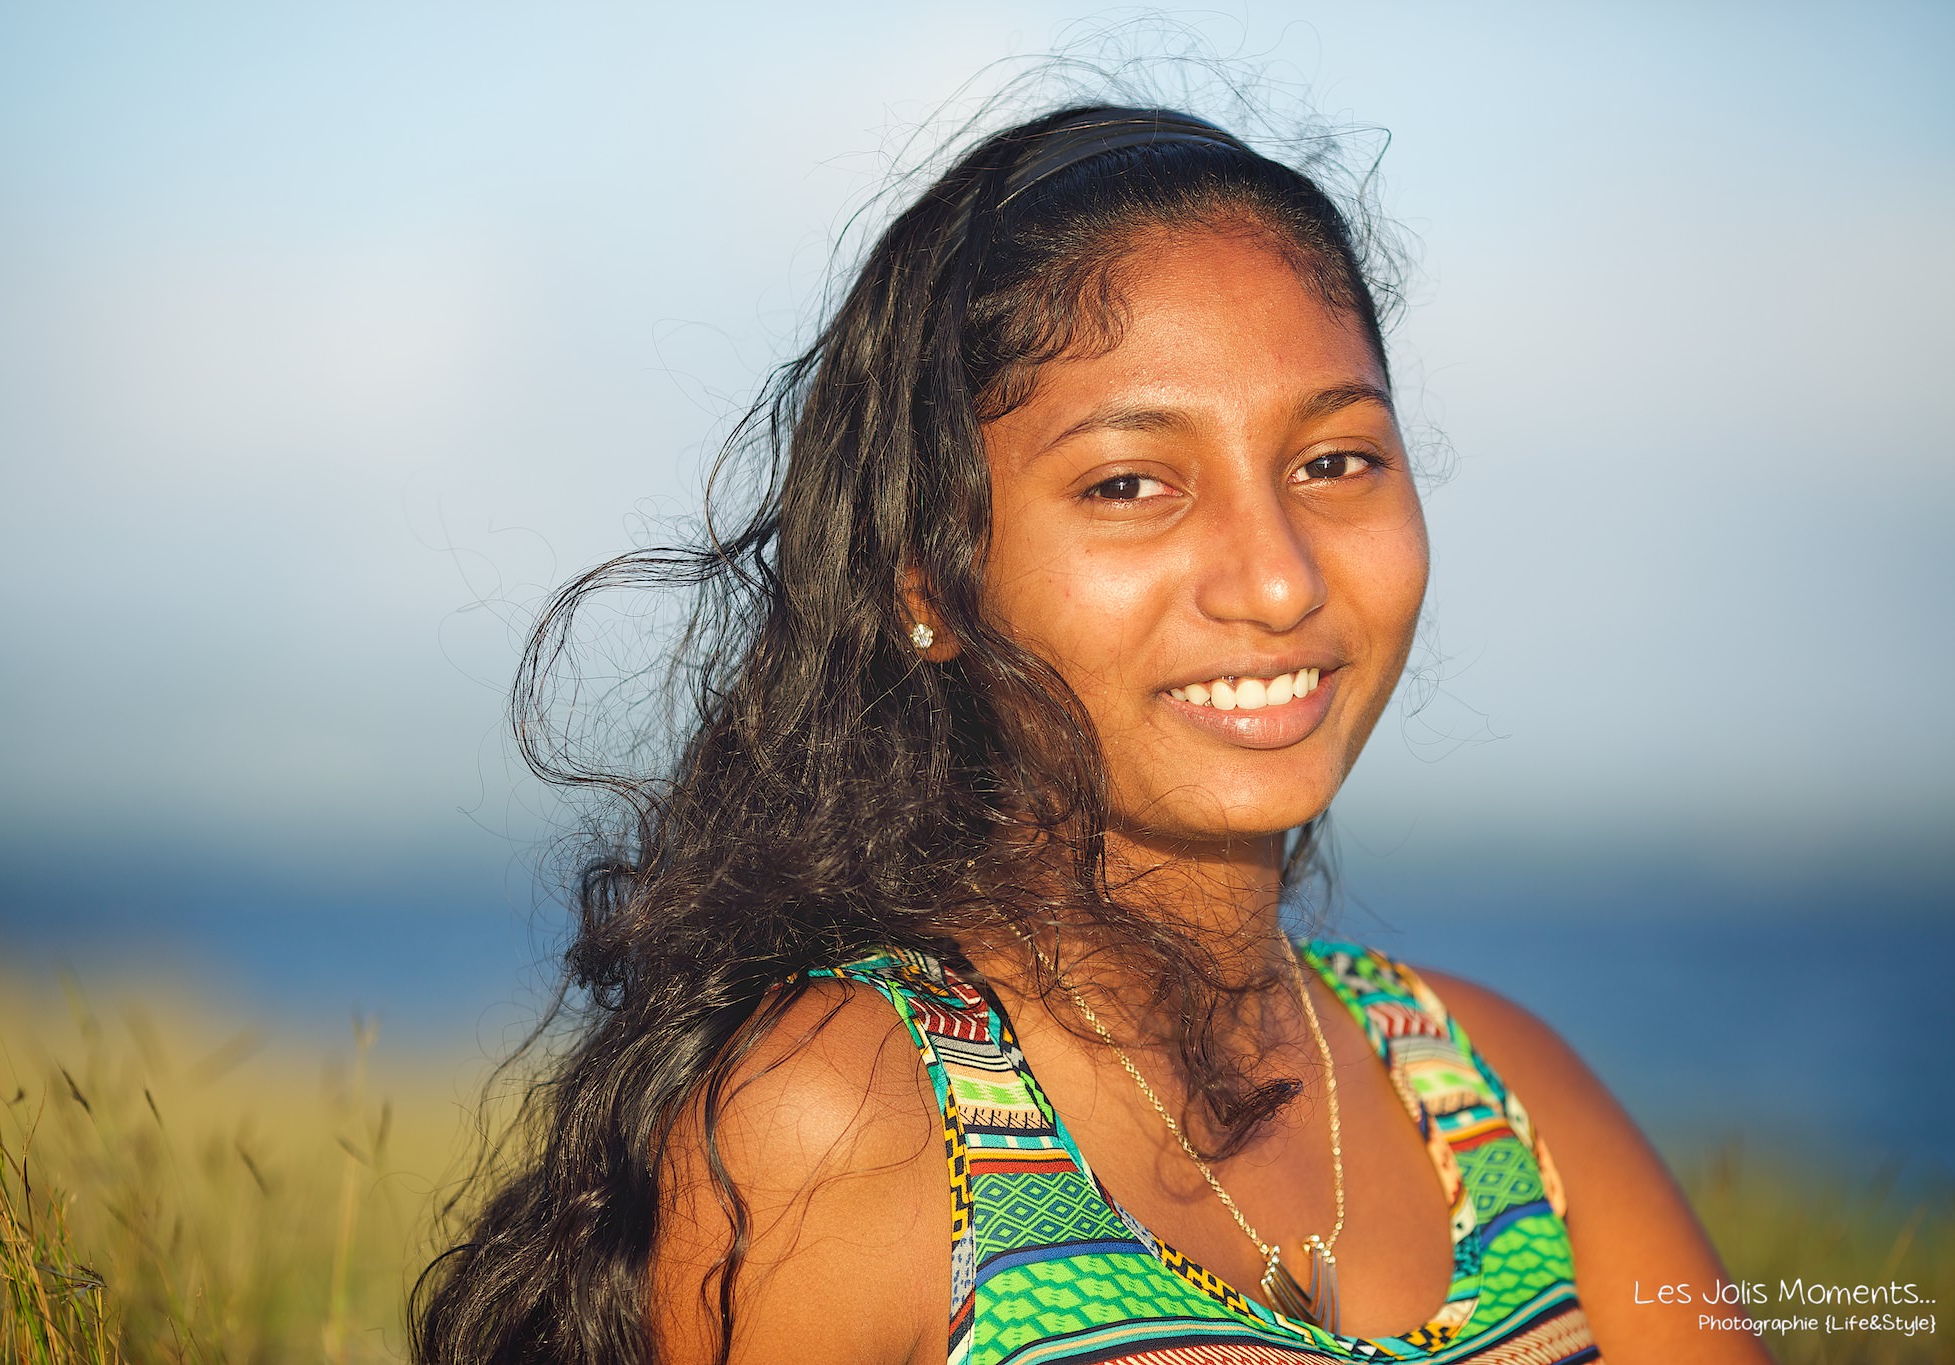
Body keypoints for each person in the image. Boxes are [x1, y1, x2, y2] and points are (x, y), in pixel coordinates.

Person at [412, 105, 1772, 1365]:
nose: (1279, 576)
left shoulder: (1499, 1092)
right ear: (926, 582)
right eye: (1132, 483)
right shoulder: (850, 1121)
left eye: (1335, 461)